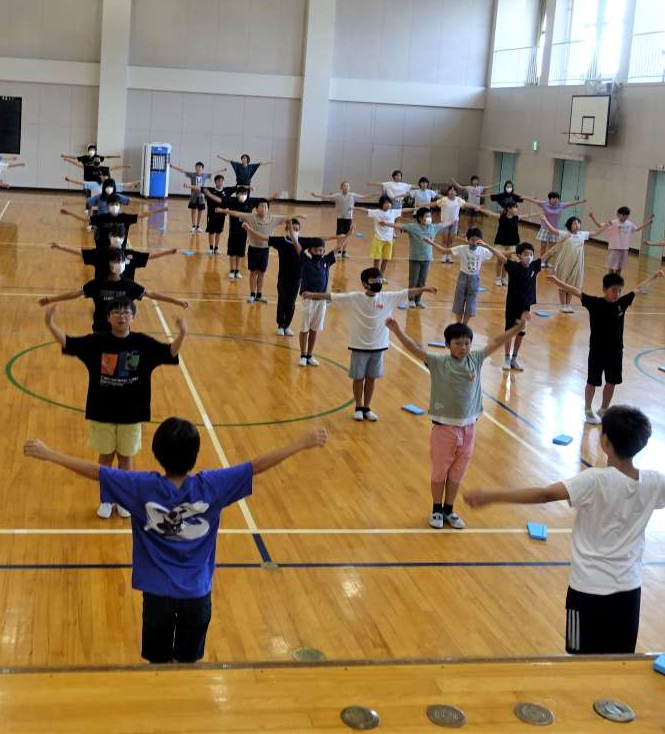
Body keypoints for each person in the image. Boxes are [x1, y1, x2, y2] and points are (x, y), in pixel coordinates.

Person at [466, 405, 665, 654]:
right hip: (628, 591)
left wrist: (493, 496)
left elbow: (546, 494)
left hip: (587, 591)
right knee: (620, 662)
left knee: (580, 663)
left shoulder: (593, 480)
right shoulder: (654, 482)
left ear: (604, 441)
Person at [24, 419, 327, 661]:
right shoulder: (213, 485)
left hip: (157, 596)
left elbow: (97, 471)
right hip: (197, 594)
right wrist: (301, 442)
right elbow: (256, 465)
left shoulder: (140, 487)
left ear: (156, 453)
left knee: (158, 663)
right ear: (195, 456)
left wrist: (50, 453)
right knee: (187, 662)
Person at [42, 301, 188, 518]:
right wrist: (49, 323)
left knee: (126, 457)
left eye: (126, 312)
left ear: (133, 318)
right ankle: (106, 500)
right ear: (108, 317)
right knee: (105, 457)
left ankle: (124, 499)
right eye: (117, 312)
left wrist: (182, 333)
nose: (122, 316)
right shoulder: (97, 341)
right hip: (103, 411)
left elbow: (169, 353)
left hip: (132, 413)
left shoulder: (142, 343)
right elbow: (69, 343)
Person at [388, 315, 528, 529]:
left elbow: (497, 342)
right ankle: (436, 509)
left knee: (457, 473)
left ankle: (449, 510)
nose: (463, 347)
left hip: (469, 429)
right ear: (448, 345)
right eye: (458, 343)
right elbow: (413, 348)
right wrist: (396, 330)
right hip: (444, 430)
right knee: (439, 472)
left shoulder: (476, 359)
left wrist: (517, 328)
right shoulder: (438, 362)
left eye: (467, 343)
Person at [301, 266, 435, 422]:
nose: (378, 282)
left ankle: (367, 407)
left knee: (371, 378)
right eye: (373, 280)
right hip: (359, 346)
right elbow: (331, 296)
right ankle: (358, 407)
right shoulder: (355, 297)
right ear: (365, 284)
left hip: (379, 347)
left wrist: (424, 289)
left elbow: (408, 292)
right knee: (358, 378)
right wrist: (311, 295)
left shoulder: (387, 297)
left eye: (379, 279)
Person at [548, 269, 665, 423]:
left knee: (612, 381)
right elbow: (576, 291)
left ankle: (604, 409)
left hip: (616, 352)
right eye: (613, 290)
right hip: (597, 351)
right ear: (604, 290)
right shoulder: (595, 303)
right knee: (592, 382)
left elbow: (637, 289)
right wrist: (558, 282)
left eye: (619, 290)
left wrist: (653, 277)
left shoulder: (622, 303)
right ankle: (588, 409)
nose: (616, 294)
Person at [37, 251, 189, 334]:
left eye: (121, 261)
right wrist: (51, 299)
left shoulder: (129, 285)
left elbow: (153, 294)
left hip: (122, 331)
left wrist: (175, 300)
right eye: (115, 261)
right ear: (107, 264)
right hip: (100, 329)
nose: (119, 264)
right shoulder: (97, 284)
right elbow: (75, 293)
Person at [498, 240, 567, 371]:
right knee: (509, 332)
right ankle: (506, 358)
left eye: (531, 254)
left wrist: (562, 241)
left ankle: (514, 359)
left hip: (525, 307)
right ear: (519, 255)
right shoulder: (513, 266)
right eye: (525, 254)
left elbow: (550, 252)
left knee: (521, 333)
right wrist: (485, 245)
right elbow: (500, 256)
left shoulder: (535, 266)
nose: (529, 256)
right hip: (512, 305)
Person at [218, 195, 300, 305]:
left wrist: (300, 215)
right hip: (253, 249)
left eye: (266, 206)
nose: (264, 208)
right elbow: (236, 213)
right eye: (261, 206)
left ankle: (259, 295)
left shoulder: (273, 219)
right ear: (257, 208)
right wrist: (223, 210)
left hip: (265, 251)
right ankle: (252, 294)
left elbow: (287, 217)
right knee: (253, 273)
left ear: (268, 209)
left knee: (262, 273)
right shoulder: (250, 217)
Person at [536, 214, 605, 314]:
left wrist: (606, 226)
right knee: (562, 283)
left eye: (578, 223)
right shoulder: (565, 234)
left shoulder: (583, 234)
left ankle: (568, 305)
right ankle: (563, 305)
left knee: (572, 285)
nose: (576, 225)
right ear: (569, 225)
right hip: (565, 262)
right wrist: (545, 220)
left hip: (577, 264)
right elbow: (552, 230)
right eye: (574, 223)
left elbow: (596, 233)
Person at [434, 227, 500, 329]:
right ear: (468, 240)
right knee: (459, 301)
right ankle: (459, 324)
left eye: (478, 240)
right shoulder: (461, 248)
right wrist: (431, 242)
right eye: (472, 240)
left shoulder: (483, 250)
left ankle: (464, 325)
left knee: (471, 302)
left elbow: (498, 254)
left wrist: (514, 253)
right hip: (463, 277)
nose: (475, 243)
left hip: (475, 279)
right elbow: (445, 250)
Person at [50, 229, 177, 282]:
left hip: (124, 292)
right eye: (114, 236)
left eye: (120, 237)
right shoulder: (100, 253)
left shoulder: (130, 254)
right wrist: (61, 247)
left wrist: (168, 252)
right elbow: (80, 252)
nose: (117, 239)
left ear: (123, 239)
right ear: (110, 238)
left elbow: (149, 257)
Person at [294, 237, 338, 366]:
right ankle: (302, 355)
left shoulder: (326, 261)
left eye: (320, 250)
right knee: (304, 329)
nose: (318, 252)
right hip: (308, 301)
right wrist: (291, 228)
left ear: (323, 251)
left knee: (314, 330)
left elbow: (338, 248)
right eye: (316, 250)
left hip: (321, 302)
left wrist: (348, 234)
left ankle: (309, 355)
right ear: (310, 250)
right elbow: (296, 244)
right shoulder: (305, 260)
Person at [392, 207, 442, 308]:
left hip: (427, 259)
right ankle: (411, 300)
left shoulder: (433, 227)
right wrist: (386, 223)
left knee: (422, 281)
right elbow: (399, 225)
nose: (429, 218)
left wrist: (454, 219)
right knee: (413, 281)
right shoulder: (413, 227)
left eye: (429, 216)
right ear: (420, 218)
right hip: (415, 258)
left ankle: (418, 300)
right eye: (426, 216)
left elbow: (445, 224)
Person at [526, 191, 587, 267]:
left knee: (552, 248)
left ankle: (547, 262)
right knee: (543, 247)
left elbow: (571, 203)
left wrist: (581, 201)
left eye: (557, 198)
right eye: (554, 198)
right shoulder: (545, 204)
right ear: (550, 199)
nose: (556, 200)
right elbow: (534, 201)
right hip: (545, 229)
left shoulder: (560, 205)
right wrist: (524, 197)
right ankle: (542, 261)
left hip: (554, 230)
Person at [588, 207, 653, 277]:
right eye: (624, 215)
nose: (625, 217)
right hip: (614, 248)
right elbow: (599, 225)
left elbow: (637, 229)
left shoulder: (629, 224)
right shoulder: (613, 223)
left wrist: (647, 223)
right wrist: (593, 218)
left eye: (627, 216)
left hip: (624, 249)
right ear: (618, 215)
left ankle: (617, 282)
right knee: (611, 268)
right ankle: (610, 281)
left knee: (619, 268)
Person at [489, 198, 539, 286]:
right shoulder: (501, 217)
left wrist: (538, 213)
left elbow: (527, 215)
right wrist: (479, 208)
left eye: (516, 207)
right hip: (500, 242)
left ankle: (504, 278)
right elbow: (490, 213)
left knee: (507, 262)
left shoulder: (516, 218)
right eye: (514, 207)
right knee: (500, 261)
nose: (516, 209)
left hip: (512, 243)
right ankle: (498, 278)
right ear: (508, 208)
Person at [363, 194, 413, 277]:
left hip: (389, 240)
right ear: (381, 204)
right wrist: (354, 208)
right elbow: (365, 210)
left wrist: (415, 208)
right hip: (378, 238)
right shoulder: (376, 212)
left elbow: (403, 210)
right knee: (377, 259)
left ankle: (381, 275)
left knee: (386, 259)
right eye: (385, 203)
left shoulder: (393, 212)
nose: (388, 204)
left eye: (389, 203)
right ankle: (376, 275)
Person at [171, 161, 222, 233]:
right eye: (197, 167)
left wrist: (222, 170)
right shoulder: (192, 175)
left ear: (202, 168)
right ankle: (193, 226)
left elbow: (213, 173)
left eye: (200, 167)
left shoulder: (205, 175)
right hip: (193, 196)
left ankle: (198, 226)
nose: (198, 168)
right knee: (193, 211)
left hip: (201, 197)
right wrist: (173, 166)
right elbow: (183, 171)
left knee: (200, 212)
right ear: (195, 168)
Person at [311, 182, 359, 258]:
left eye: (347, 186)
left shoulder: (352, 195)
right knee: (339, 236)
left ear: (349, 187)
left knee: (347, 235)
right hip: (340, 218)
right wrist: (316, 195)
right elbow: (327, 196)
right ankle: (338, 251)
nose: (346, 187)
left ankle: (344, 252)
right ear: (341, 187)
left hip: (349, 219)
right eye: (344, 186)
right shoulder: (337, 196)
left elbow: (364, 197)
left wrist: (373, 194)